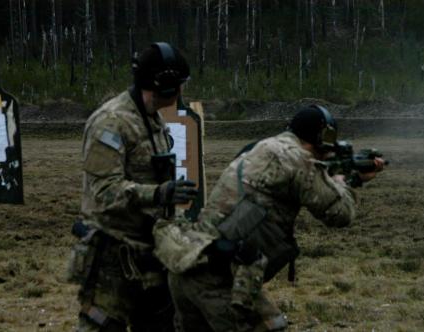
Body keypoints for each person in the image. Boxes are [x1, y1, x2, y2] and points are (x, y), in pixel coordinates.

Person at [160, 105, 384, 332]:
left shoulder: (259, 148)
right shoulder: (299, 161)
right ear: (321, 137)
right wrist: (346, 181)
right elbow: (340, 214)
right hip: (220, 279)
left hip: (188, 264)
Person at [68, 42, 198, 332]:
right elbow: (103, 192)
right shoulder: (111, 122)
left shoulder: (152, 121)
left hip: (149, 251)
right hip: (112, 253)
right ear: (163, 86)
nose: (181, 91)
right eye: (178, 85)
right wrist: (157, 193)